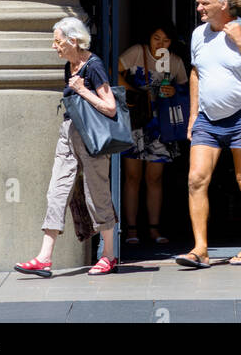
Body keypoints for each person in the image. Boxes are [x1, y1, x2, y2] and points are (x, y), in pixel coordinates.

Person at [176, 0, 241, 268]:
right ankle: (200, 249)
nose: (199, 8)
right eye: (198, 3)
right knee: (196, 179)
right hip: (207, 119)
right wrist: (193, 115)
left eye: (204, 3)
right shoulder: (198, 34)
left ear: (223, 4)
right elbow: (196, 73)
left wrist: (240, 40)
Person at [14, 16, 119, 277]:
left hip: (92, 137)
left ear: (73, 41)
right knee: (56, 192)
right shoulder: (69, 66)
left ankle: (109, 255)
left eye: (57, 41)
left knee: (96, 194)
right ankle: (44, 258)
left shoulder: (94, 66)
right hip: (68, 133)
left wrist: (82, 90)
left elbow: (110, 107)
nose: (54, 46)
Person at [118, 22, 189, 247]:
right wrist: (134, 92)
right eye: (156, 38)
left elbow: (186, 90)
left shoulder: (175, 61)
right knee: (132, 176)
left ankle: (154, 228)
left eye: (165, 40)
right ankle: (130, 229)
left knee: (155, 178)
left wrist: (174, 90)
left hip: (162, 124)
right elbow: (113, 72)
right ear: (148, 37)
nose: (160, 44)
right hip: (136, 121)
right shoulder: (137, 52)